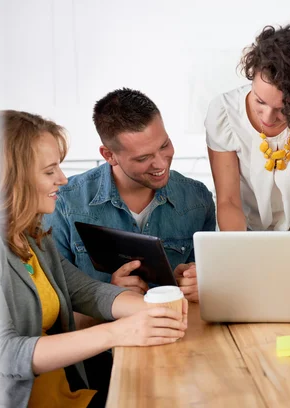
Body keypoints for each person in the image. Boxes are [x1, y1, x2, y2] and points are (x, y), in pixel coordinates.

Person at [0, 110, 188, 407]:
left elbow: (85, 290)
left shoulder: (30, 236)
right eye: (48, 171)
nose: (63, 179)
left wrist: (156, 309)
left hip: (69, 395)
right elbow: (5, 354)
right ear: (10, 179)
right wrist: (117, 332)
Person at [44, 88, 215, 302]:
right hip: (103, 333)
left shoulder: (198, 199)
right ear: (109, 155)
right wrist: (109, 295)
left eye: (164, 145)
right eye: (143, 158)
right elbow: (55, 306)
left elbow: (206, 285)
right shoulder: (63, 204)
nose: (161, 163)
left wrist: (199, 284)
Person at [205, 18, 290, 231]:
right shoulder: (224, 112)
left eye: (284, 109)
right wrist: (235, 257)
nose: (267, 118)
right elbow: (228, 201)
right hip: (243, 227)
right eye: (260, 101)